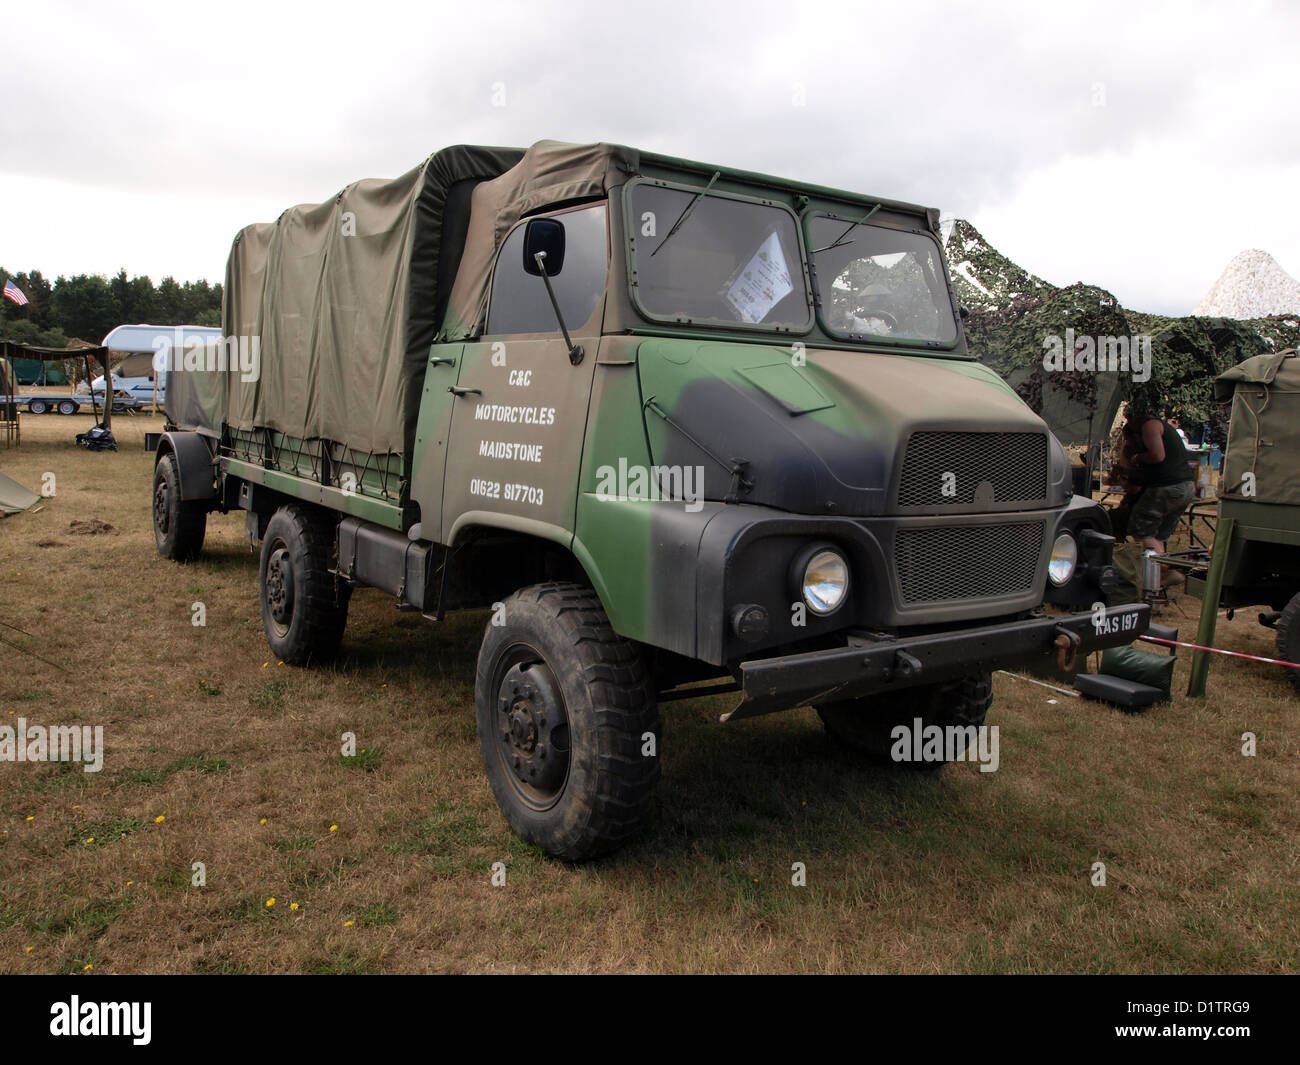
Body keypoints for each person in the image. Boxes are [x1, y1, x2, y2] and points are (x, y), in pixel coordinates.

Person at [1111, 411, 1197, 554]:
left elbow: (1158, 455)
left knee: (1141, 530)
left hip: (1167, 487)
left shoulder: (1149, 426)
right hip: (1186, 487)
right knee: (1158, 536)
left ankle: (1161, 572)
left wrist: (1136, 459)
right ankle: (1165, 572)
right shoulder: (1162, 428)